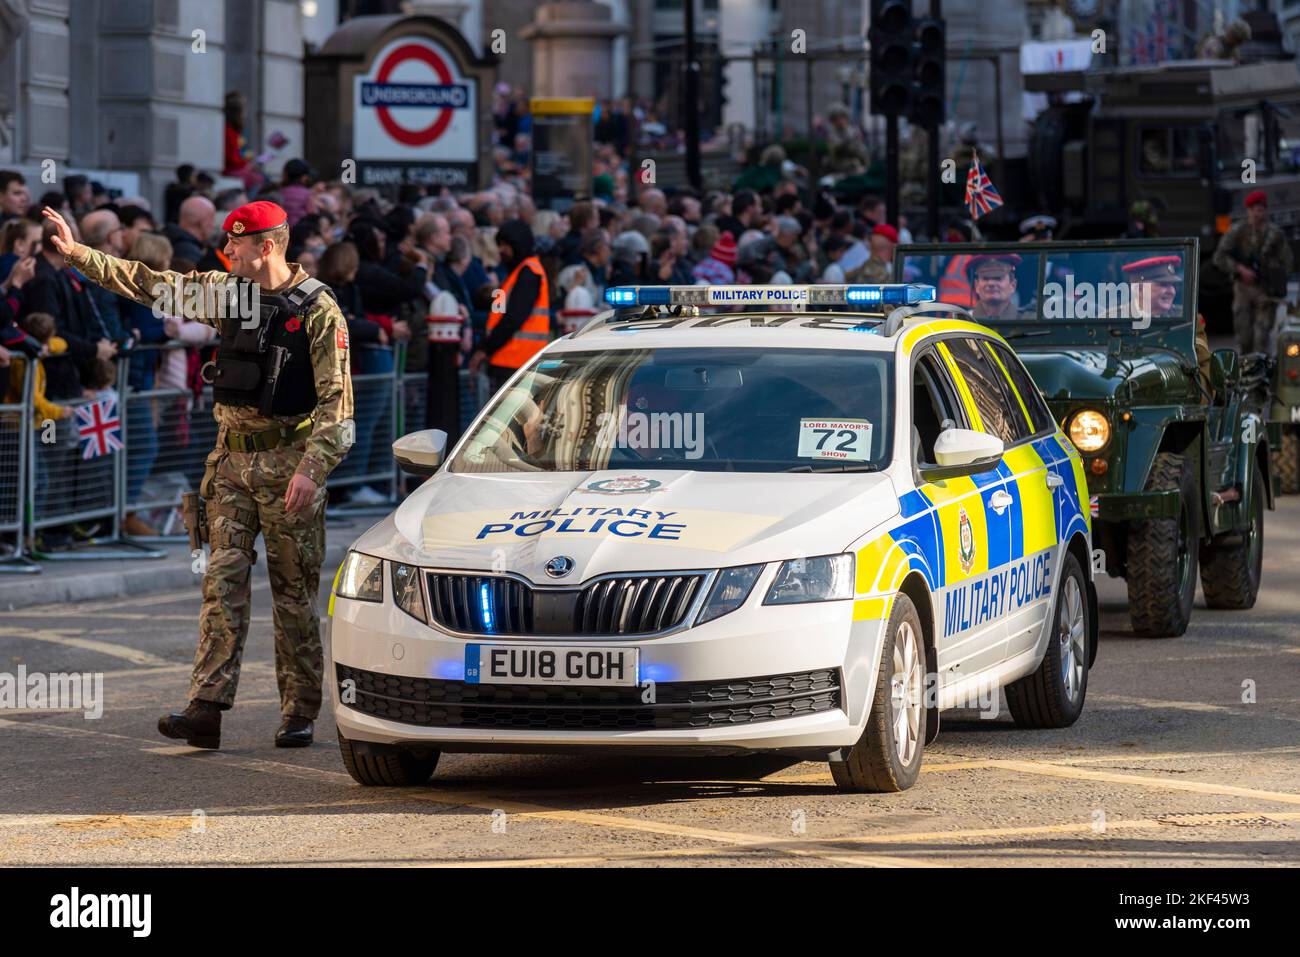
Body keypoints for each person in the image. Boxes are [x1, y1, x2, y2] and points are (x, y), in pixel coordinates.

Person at [43, 199, 354, 751]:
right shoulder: (227, 294)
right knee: (221, 586)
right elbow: (148, 284)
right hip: (230, 466)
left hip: (289, 468)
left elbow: (337, 406)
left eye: (236, 242)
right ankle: (206, 707)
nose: (226, 249)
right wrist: (79, 255)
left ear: (267, 246)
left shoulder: (317, 310)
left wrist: (313, 467)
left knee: (294, 593)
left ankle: (299, 710)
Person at [468, 218, 549, 393]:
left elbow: (512, 318)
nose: (501, 250)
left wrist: (485, 348)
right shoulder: (515, 274)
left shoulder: (529, 273)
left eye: (505, 245)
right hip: (509, 360)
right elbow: (499, 313)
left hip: (515, 361)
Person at [1211, 190, 1294, 355]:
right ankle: (1245, 375)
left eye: (1262, 209)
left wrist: (1276, 277)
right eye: (1255, 209)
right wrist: (1240, 269)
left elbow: (1288, 262)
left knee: (1261, 338)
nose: (1259, 213)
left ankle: (1261, 375)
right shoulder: (1237, 231)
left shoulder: (1275, 235)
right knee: (1244, 338)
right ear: (1248, 210)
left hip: (1266, 292)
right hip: (1243, 289)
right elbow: (1219, 257)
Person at [967, 254, 1022, 321]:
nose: (991, 283)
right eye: (985, 278)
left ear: (1013, 285)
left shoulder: (1028, 320)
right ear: (976, 286)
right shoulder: (963, 322)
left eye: (998, 278)